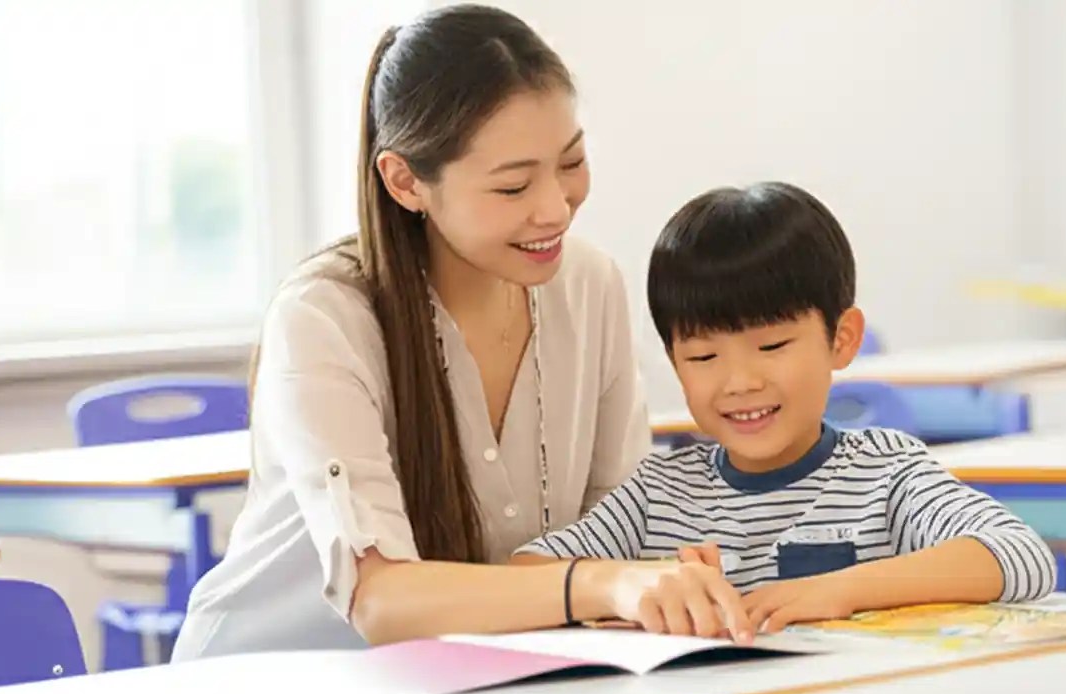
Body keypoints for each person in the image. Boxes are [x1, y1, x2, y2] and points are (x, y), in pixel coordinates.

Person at [172, 4, 723, 660]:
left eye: (571, 163)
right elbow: (379, 599)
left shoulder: (590, 286)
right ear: (407, 182)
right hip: (275, 684)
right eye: (513, 186)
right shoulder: (325, 318)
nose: (555, 207)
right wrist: (601, 584)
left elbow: (624, 527)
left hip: (478, 680)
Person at [514, 181, 1057, 638]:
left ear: (841, 339)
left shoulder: (884, 473)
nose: (740, 382)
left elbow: (1020, 556)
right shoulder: (659, 493)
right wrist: (639, 585)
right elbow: (526, 573)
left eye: (772, 347)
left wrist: (837, 591)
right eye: (703, 356)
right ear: (674, 363)